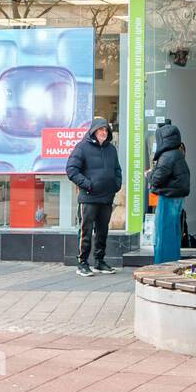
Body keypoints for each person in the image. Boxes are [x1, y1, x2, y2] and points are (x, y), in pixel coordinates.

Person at [66, 117, 122, 277]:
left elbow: (117, 170)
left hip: (106, 198)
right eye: (100, 129)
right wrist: (88, 185)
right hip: (89, 198)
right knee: (86, 231)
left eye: (106, 130)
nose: (104, 132)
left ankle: (99, 261)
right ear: (94, 131)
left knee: (102, 232)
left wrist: (116, 185)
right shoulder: (82, 147)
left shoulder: (111, 149)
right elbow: (71, 170)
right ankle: (82, 263)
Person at [147, 123, 190, 263]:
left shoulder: (167, 156)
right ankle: (173, 262)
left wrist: (149, 174)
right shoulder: (178, 153)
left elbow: (156, 179)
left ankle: (163, 265)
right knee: (173, 232)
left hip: (168, 198)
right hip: (177, 198)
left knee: (163, 233)